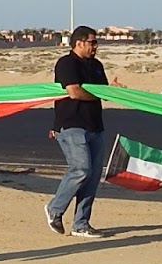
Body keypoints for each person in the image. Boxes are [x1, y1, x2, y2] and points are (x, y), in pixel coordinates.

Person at [44, 25, 117, 238]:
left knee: (92, 177)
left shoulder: (96, 65)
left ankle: (81, 224)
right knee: (80, 169)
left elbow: (102, 92)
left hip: (95, 125)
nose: (96, 46)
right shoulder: (66, 63)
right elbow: (74, 92)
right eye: (92, 42)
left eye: (96, 42)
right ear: (79, 43)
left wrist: (114, 90)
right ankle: (55, 209)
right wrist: (95, 94)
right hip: (71, 125)